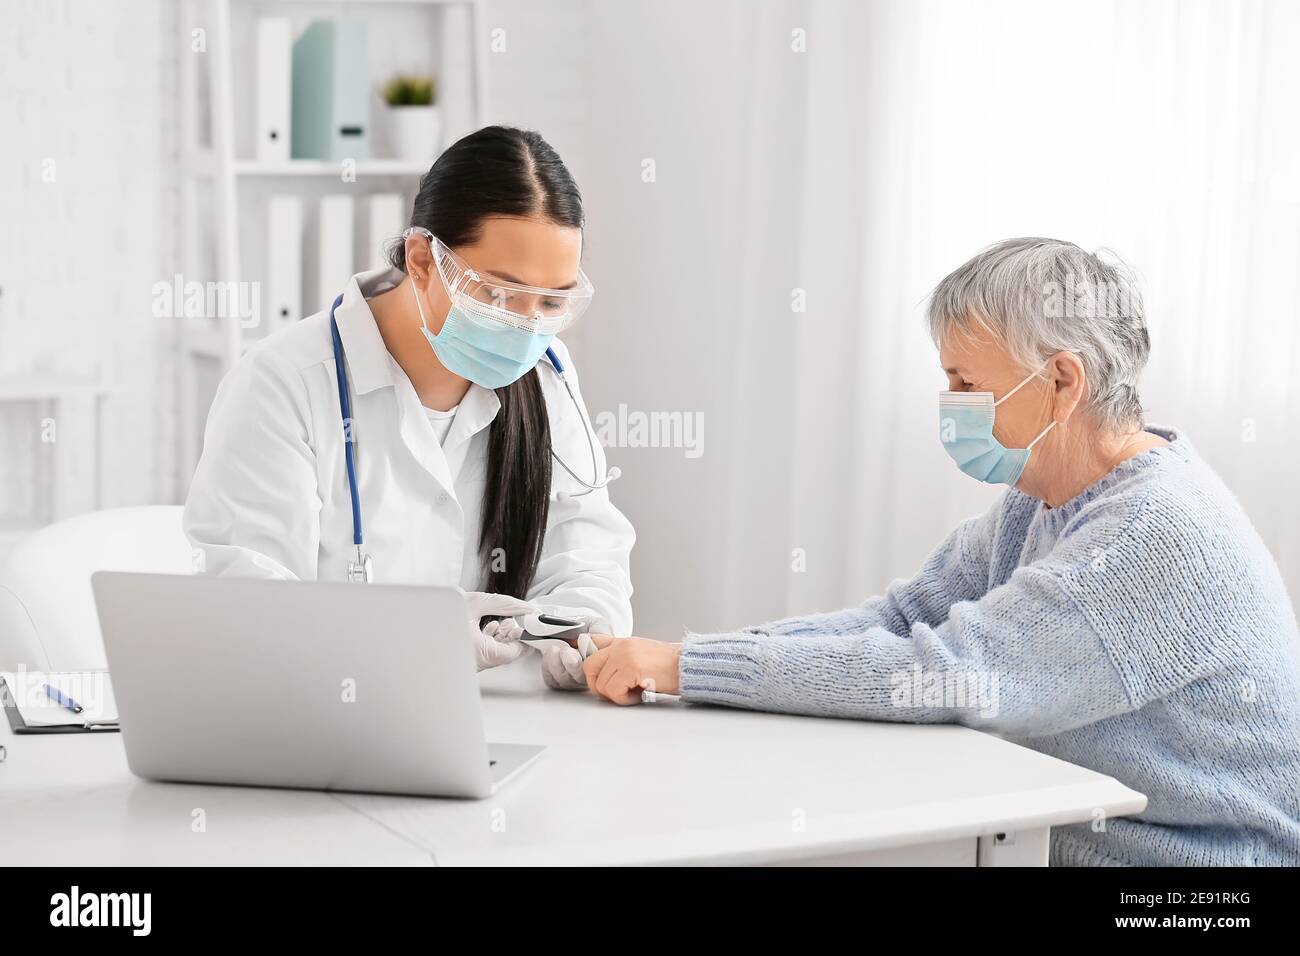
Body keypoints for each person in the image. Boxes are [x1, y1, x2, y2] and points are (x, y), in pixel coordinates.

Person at [582, 238, 1300, 866]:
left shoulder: (1152, 535)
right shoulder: (1045, 493)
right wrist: (678, 657)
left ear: (1061, 381)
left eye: (965, 383)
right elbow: (902, 618)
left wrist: (688, 666)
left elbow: (948, 672)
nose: (948, 402)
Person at [184, 126, 633, 689]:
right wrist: (420, 639)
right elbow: (247, 610)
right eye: (498, 293)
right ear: (423, 259)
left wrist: (582, 633)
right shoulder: (284, 383)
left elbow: (588, 556)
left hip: (500, 721)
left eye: (549, 301)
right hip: (328, 722)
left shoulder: (547, 379)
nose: (526, 326)